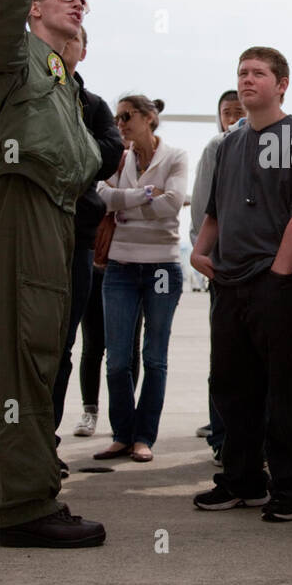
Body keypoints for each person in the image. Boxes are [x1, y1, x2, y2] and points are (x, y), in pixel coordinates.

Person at [0, 0, 105, 548]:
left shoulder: (59, 76)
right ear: (34, 7)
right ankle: (28, 506)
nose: (77, 3)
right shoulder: (14, 52)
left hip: (53, 212)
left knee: (20, 356)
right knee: (30, 350)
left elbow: (82, 156)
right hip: (25, 204)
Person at [190, 47, 292, 522]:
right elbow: (215, 212)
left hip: (278, 285)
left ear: (282, 83)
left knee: (287, 391)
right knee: (231, 387)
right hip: (229, 283)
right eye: (241, 73)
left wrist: (277, 277)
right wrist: (201, 253)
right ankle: (241, 480)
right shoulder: (229, 144)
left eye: (257, 73)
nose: (247, 81)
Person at [92, 95, 188, 461]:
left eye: (126, 116)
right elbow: (102, 197)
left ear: (149, 118)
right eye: (117, 118)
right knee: (116, 358)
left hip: (162, 266)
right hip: (120, 266)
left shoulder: (175, 156)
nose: (119, 123)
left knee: (155, 358)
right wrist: (146, 195)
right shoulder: (119, 157)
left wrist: (125, 203)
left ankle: (143, 437)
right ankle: (122, 433)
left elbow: (173, 204)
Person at [53, 28, 123, 455]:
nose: (65, 45)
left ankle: (44, 441)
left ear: (83, 48)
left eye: (74, 39)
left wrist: (62, 150)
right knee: (14, 346)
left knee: (62, 344)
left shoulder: (93, 106)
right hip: (27, 235)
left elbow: (108, 155)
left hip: (76, 237)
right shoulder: (23, 91)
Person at [189, 89, 246, 456]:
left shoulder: (280, 142)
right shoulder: (217, 147)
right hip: (223, 268)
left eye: (236, 111)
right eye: (226, 112)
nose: (232, 118)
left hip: (261, 270)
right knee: (224, 359)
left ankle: (250, 438)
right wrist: (203, 255)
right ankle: (222, 437)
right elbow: (202, 207)